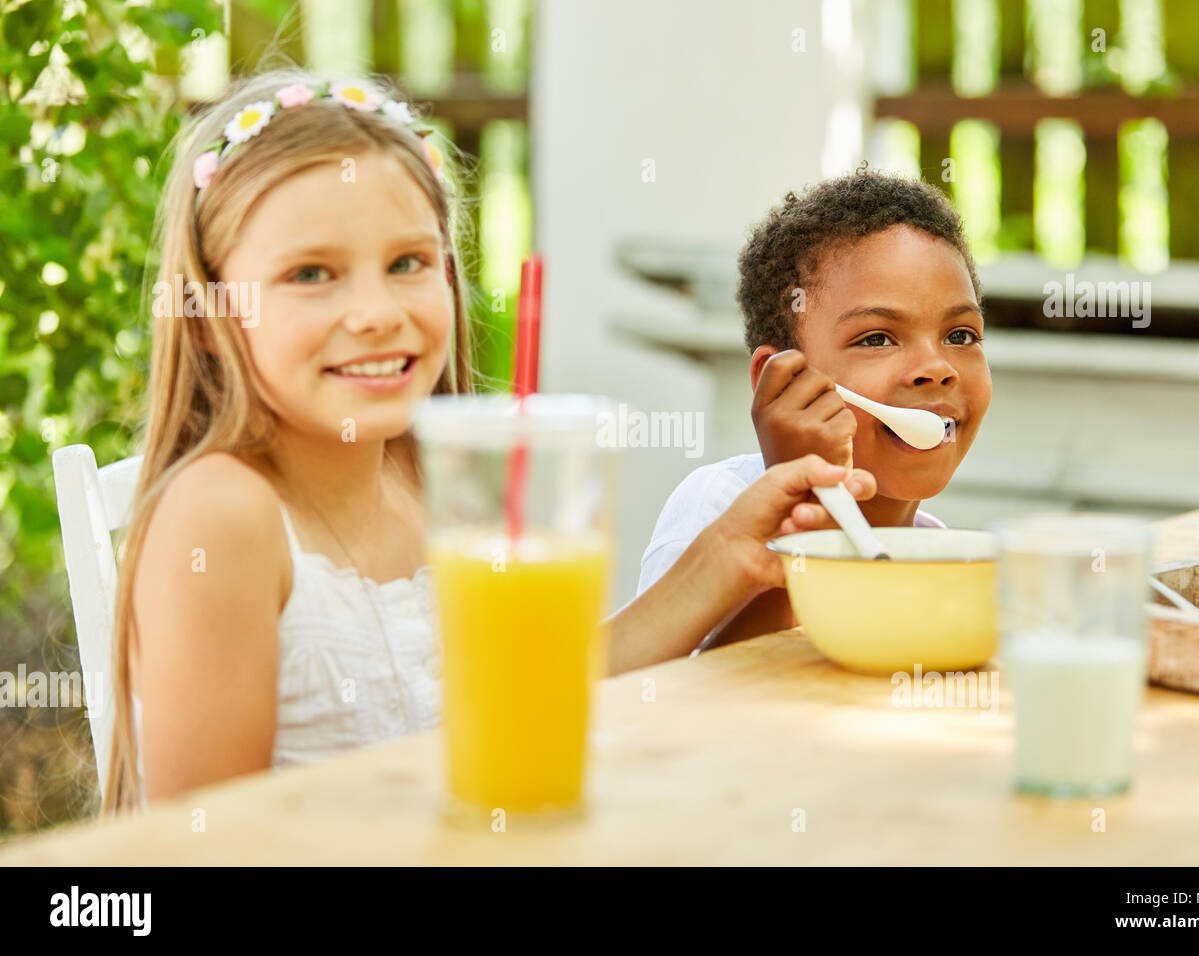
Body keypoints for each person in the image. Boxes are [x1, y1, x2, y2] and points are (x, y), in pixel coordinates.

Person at [104, 70, 875, 812]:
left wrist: (726, 556)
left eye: (407, 262)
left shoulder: (424, 481)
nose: (375, 311)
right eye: (312, 274)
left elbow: (528, 694)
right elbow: (200, 845)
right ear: (208, 317)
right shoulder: (223, 515)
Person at [638, 168, 993, 648]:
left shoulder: (935, 549)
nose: (936, 367)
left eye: (960, 335)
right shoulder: (717, 505)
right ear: (779, 381)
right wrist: (811, 514)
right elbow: (685, 698)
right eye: (876, 338)